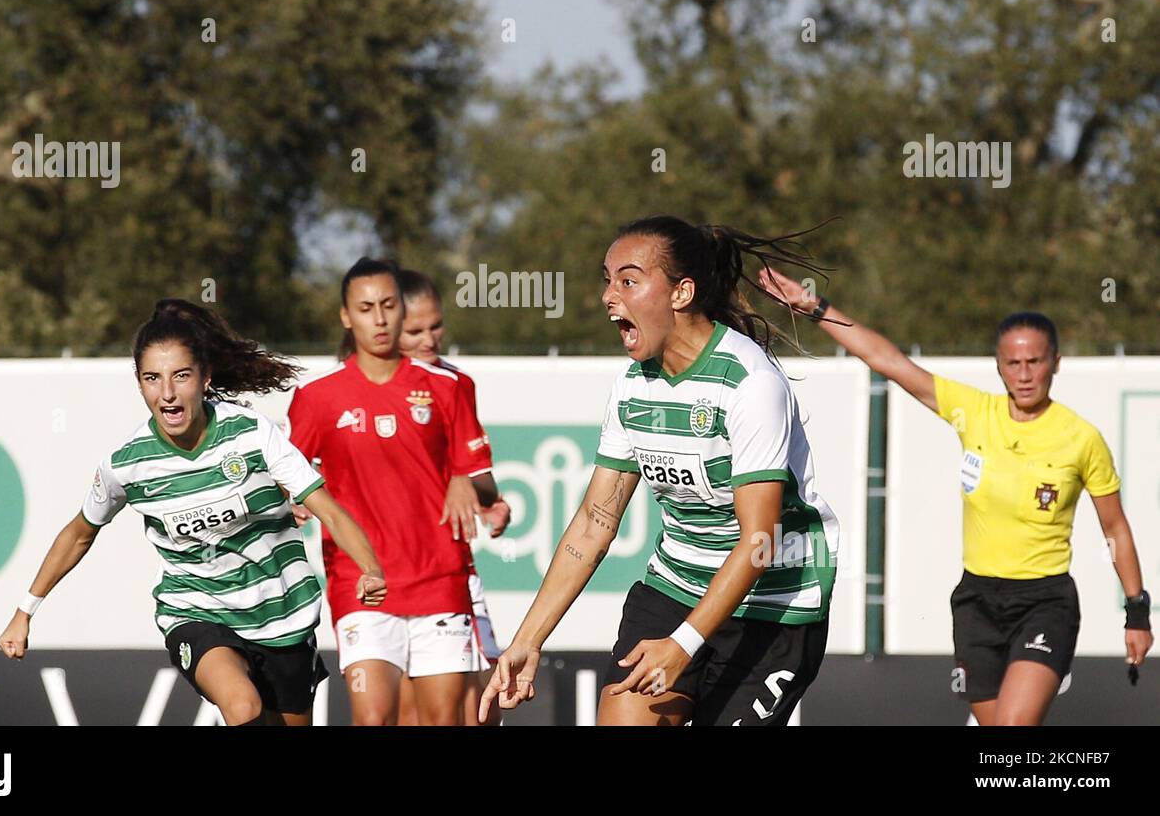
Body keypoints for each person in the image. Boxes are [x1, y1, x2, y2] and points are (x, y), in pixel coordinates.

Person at [481, 215, 839, 726]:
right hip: (674, 590)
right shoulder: (633, 387)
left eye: (628, 280)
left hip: (772, 608)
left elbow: (759, 540)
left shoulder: (750, 382)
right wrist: (527, 641)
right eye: (606, 279)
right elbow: (593, 523)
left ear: (681, 292)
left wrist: (684, 644)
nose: (609, 295)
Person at [758, 269, 1153, 725]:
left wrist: (1136, 613)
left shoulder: (1081, 438)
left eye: (1035, 362)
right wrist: (816, 308)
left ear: (1056, 363)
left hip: (1045, 602)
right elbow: (889, 362)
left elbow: (1115, 528)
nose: (1024, 375)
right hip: (976, 602)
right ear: (999, 365)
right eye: (1013, 363)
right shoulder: (976, 413)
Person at [0, 298, 385, 726]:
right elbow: (78, 533)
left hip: (281, 613)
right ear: (140, 384)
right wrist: (24, 611)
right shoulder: (127, 463)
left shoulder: (252, 434)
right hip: (196, 610)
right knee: (242, 706)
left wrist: (370, 566)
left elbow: (328, 511)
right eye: (152, 379)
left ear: (205, 378)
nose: (167, 393)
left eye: (180, 376)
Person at [288, 258, 495, 725]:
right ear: (346, 316)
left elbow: (478, 474)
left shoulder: (449, 386)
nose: (379, 319)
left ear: (402, 310)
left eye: (387, 306)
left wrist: (465, 478)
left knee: (444, 719)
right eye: (365, 308)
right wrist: (291, 499)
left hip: (439, 580)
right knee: (373, 717)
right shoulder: (317, 397)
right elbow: (288, 476)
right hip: (364, 583)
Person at [394, 268, 510, 727]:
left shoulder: (456, 384)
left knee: (485, 703)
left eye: (435, 325)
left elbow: (481, 480)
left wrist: (485, 499)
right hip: (390, 574)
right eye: (415, 330)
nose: (429, 339)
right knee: (410, 708)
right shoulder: (365, 387)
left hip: (452, 567)